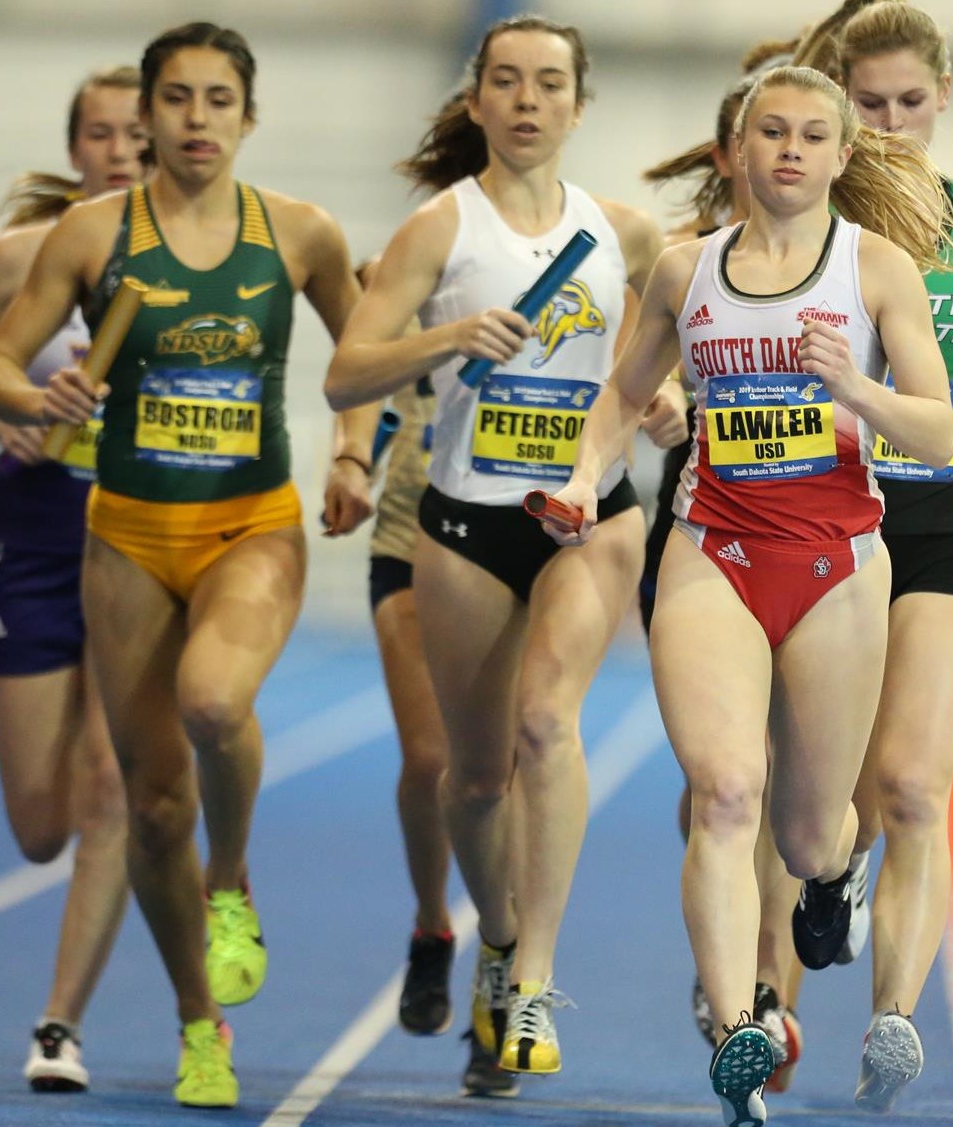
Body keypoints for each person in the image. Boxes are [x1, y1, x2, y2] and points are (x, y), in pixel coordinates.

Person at [541, 63, 953, 1127]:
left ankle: (833, 874)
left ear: (841, 155)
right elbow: (623, 393)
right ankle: (738, 1030)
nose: (790, 151)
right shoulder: (687, 270)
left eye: (812, 135)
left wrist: (853, 387)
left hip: (835, 564)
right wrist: (584, 478)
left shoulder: (875, 269)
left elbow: (941, 434)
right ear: (735, 148)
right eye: (770, 131)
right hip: (711, 550)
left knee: (810, 834)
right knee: (725, 792)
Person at [0, 22, 364, 1108]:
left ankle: (229, 880)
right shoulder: (92, 235)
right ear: (147, 117)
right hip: (128, 537)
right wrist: (33, 395)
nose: (198, 119)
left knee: (212, 701)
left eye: (218, 99)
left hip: (250, 526)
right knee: (148, 806)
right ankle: (201, 1023)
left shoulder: (299, 232)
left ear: (249, 115)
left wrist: (351, 451)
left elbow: (364, 353)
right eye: (178, 99)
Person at [324, 13, 665, 1092]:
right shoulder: (438, 230)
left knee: (545, 722)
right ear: (475, 101)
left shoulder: (625, 234)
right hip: (464, 522)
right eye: (506, 81)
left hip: (587, 516)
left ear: (578, 105)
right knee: (470, 781)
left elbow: (659, 359)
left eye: (549, 83)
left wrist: (662, 402)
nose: (527, 100)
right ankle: (498, 936)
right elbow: (344, 374)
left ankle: (533, 977)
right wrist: (447, 336)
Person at [810, 3, 953, 1110]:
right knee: (836, 795)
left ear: (943, 95)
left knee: (912, 782)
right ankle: (829, 868)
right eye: (869, 104)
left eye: (911, 101)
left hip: (946, 508)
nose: (892, 122)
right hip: (825, 511)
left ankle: (893, 1019)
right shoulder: (809, 207)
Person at [0, 64, 144, 1095]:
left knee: (114, 785)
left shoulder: (196, 264)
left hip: (145, 537)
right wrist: (4, 413)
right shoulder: (21, 257)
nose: (120, 152)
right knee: (42, 825)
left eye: (138, 134)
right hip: (37, 537)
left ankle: (60, 1023)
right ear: (75, 146)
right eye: (100, 134)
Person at [349, 250, 495, 1085]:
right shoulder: (402, 270)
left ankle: (502, 974)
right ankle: (434, 925)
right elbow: (353, 379)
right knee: (432, 758)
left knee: (506, 772)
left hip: (512, 541)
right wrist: (349, 462)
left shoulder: (562, 271)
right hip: (408, 537)